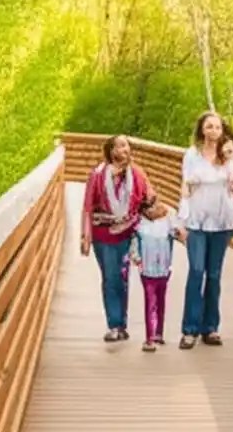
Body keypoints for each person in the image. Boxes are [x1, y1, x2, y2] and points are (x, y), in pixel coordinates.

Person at [177, 111, 233, 349]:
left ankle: (211, 328)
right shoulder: (192, 155)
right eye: (209, 127)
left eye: (217, 127)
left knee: (214, 274)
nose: (213, 131)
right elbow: (184, 186)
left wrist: (232, 161)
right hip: (196, 221)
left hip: (222, 222)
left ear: (222, 130)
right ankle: (189, 329)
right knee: (197, 271)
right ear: (202, 130)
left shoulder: (229, 157)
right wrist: (182, 219)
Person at [80, 135, 151, 342]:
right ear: (111, 151)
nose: (124, 149)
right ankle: (114, 324)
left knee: (122, 278)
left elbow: (149, 198)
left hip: (128, 232)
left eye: (126, 145)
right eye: (119, 146)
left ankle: (121, 323)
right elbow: (87, 206)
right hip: (103, 233)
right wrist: (85, 236)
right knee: (111, 278)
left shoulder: (136, 174)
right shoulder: (98, 175)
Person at [129, 194, 186, 352]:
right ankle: (150, 337)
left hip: (164, 269)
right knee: (150, 302)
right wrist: (136, 258)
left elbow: (178, 234)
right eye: (150, 207)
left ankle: (159, 332)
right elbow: (134, 243)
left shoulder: (167, 221)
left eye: (156, 205)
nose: (156, 209)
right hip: (147, 270)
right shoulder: (140, 225)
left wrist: (180, 234)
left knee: (161, 300)